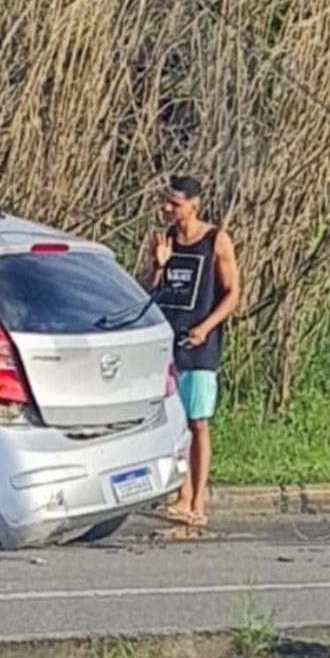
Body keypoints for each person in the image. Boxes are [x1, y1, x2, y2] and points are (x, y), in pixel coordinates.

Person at [143, 175, 240, 528]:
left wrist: (206, 327)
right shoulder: (165, 240)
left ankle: (197, 501)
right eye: (165, 202)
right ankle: (179, 494)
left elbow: (232, 293)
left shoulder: (216, 241)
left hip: (200, 345)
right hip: (167, 342)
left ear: (194, 206)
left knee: (197, 421)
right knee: (172, 422)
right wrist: (158, 264)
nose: (167, 209)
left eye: (175, 203)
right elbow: (148, 291)